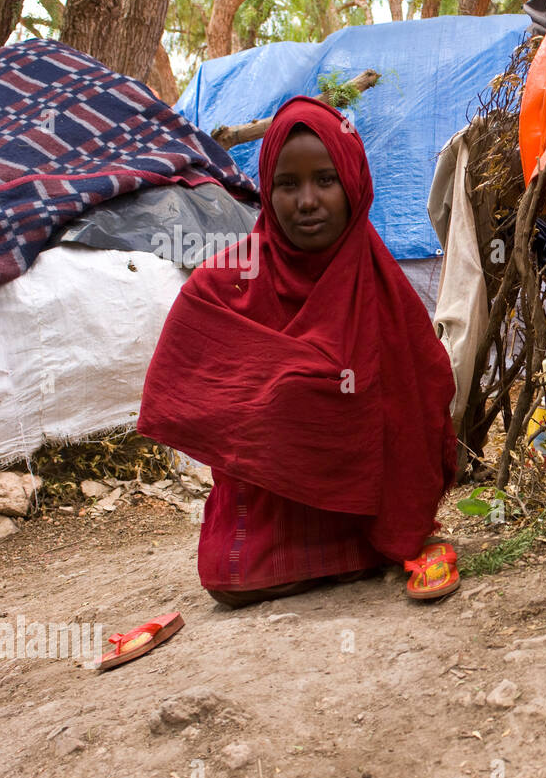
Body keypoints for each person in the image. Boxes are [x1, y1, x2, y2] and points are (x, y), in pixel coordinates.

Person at [139, 97, 461, 607]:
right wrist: (287, 391)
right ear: (267, 189)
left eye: (325, 180)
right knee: (231, 581)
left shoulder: (382, 288)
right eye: (287, 185)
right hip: (268, 530)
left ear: (354, 185)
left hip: (367, 526)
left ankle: (369, 543)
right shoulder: (227, 284)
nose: (306, 201)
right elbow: (187, 386)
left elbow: (422, 397)